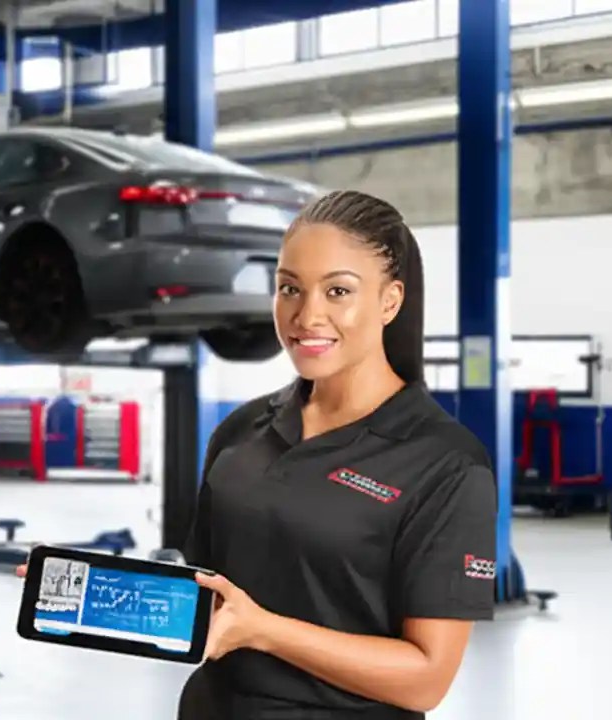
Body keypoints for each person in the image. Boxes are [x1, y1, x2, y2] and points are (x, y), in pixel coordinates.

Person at [176, 189, 496, 719]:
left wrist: (265, 631)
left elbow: (426, 679)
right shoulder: (240, 432)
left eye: (338, 291)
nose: (307, 315)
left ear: (390, 301)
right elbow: (206, 598)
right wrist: (90, 593)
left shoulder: (446, 464)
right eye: (289, 288)